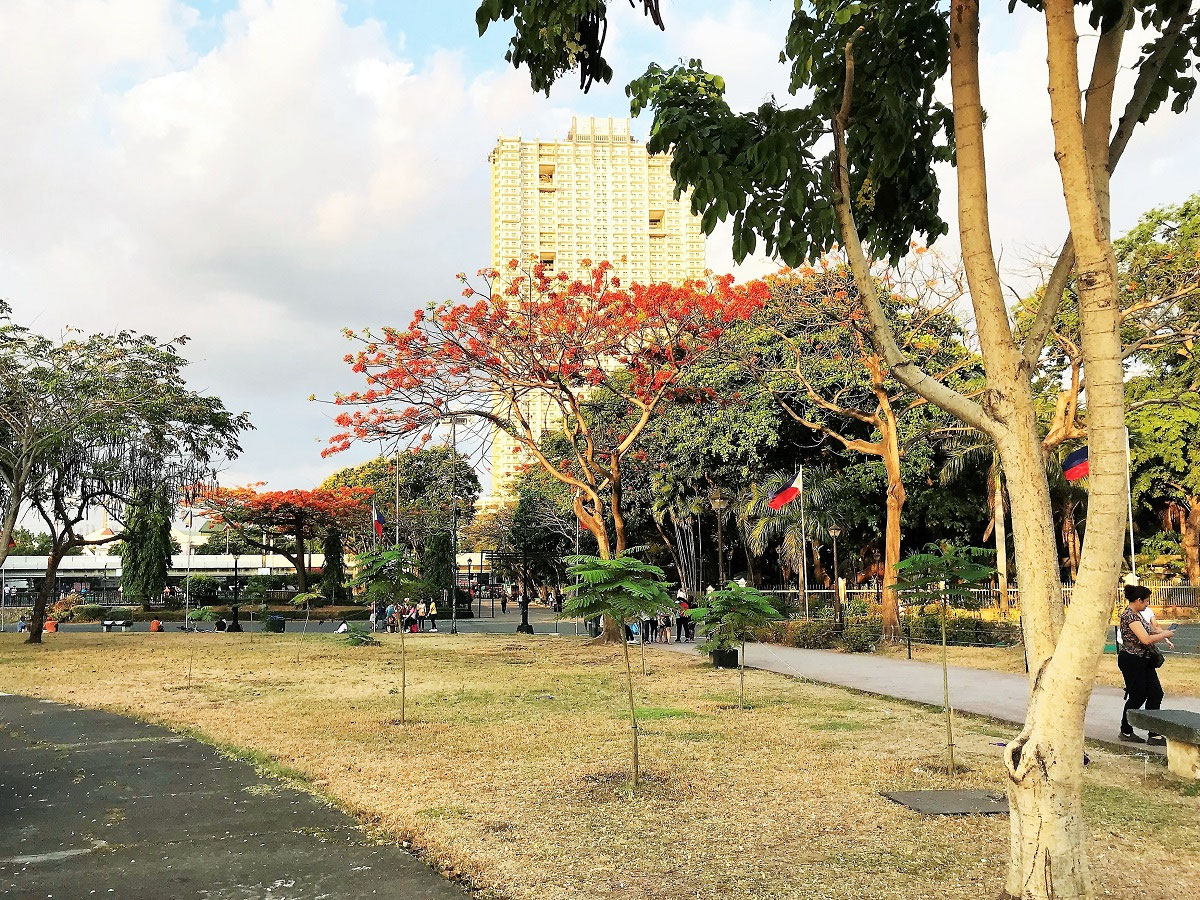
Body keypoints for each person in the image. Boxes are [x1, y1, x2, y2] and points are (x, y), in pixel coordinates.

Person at [1118, 584, 1175, 745]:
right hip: (1132, 660)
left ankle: (1154, 733)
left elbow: (1149, 630)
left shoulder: (1137, 615)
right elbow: (1145, 639)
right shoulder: (1129, 616)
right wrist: (1165, 634)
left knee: (1156, 693)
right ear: (1138, 600)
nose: (1147, 604)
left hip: (1144, 659)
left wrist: (1162, 633)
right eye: (1146, 601)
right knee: (1137, 695)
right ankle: (1126, 730)